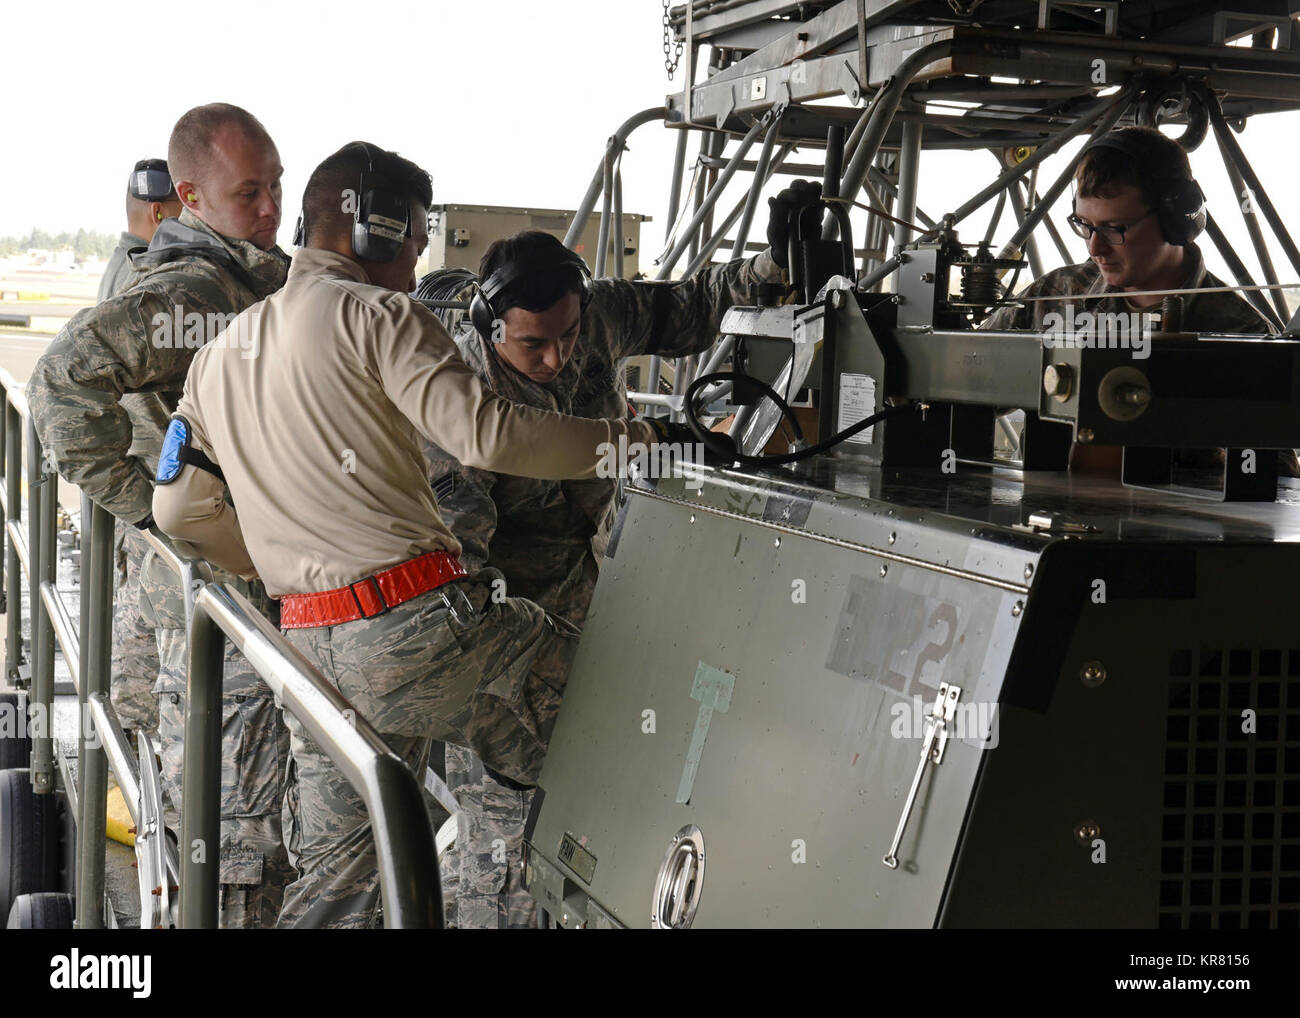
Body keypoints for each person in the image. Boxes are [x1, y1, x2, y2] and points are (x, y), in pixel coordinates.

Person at [151, 140, 690, 928]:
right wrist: (621, 442)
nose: (420, 256)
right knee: (620, 708)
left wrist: (286, 568)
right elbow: (485, 434)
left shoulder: (225, 349)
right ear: (375, 227)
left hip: (306, 643)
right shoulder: (382, 316)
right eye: (414, 236)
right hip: (418, 629)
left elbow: (179, 509)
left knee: (343, 878)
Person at [417, 185, 814, 929]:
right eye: (532, 344)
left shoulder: (590, 316)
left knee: (592, 826)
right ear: (489, 324)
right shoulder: (459, 402)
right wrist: (523, 697)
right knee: (506, 846)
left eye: (567, 336)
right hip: (508, 633)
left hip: (595, 600)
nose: (558, 357)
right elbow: (461, 579)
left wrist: (768, 266)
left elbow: (687, 309)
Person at [27, 103, 293, 928]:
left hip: (183, 590)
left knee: (176, 806)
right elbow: (59, 385)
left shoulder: (238, 276)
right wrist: (149, 509)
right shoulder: (198, 289)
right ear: (192, 195)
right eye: (250, 192)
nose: (270, 208)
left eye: (277, 186)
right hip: (211, 591)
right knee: (233, 843)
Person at [980, 125, 1272, 472]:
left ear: (1176, 219)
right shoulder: (1056, 296)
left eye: (1114, 228)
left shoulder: (1244, 336)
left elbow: (1275, 487)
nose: (1094, 247)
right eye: (1084, 224)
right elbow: (966, 385)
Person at [98, 158, 182, 739]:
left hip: (141, 474)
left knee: (136, 609)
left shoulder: (121, 267)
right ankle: (149, 752)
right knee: (156, 624)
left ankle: (135, 742)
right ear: (158, 212)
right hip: (153, 476)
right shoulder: (144, 281)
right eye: (184, 213)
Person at [97, 158, 183, 302]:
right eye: (185, 212)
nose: (189, 222)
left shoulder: (120, 263)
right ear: (158, 214)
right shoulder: (147, 273)